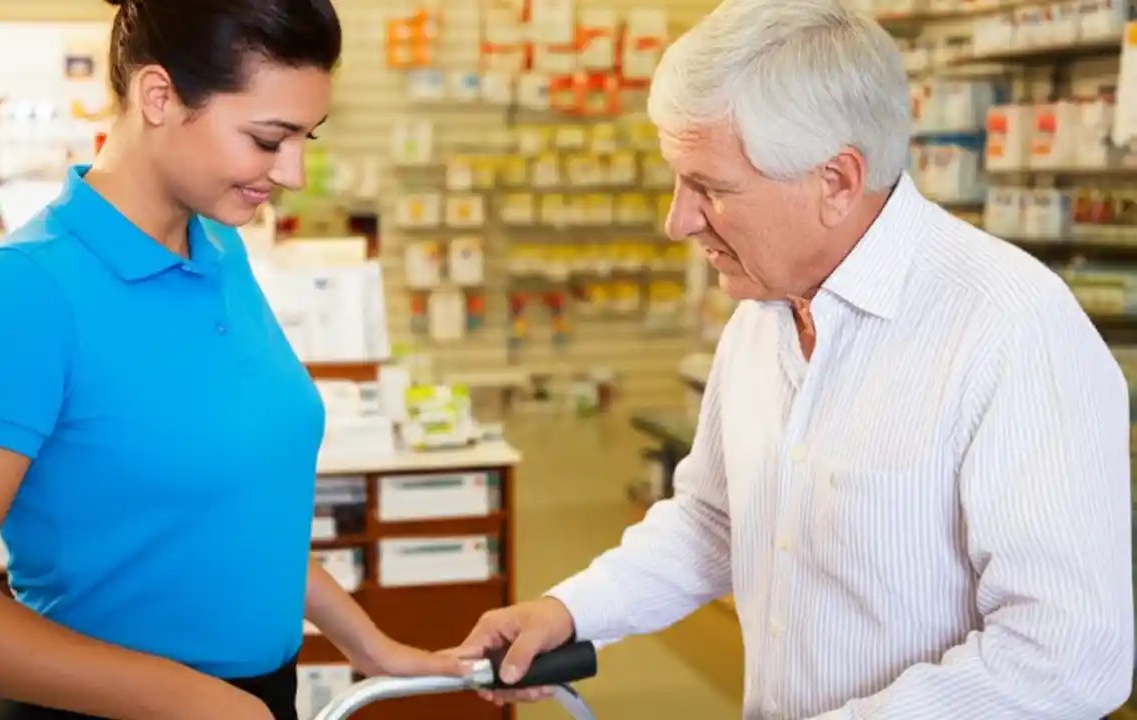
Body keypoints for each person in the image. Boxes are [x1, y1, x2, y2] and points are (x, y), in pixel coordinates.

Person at [457, 0, 1135, 717]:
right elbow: (718, 520)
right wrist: (570, 610)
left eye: (711, 189)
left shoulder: (1009, 329)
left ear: (837, 182)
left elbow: (1068, 656)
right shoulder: (763, 315)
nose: (677, 220)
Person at [0, 1, 471, 719]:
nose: (294, 172)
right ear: (158, 96)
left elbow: (229, 509)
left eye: (307, 137)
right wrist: (196, 702)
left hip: (251, 701)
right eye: (268, 138)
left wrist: (367, 642)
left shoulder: (220, 253)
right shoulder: (25, 292)